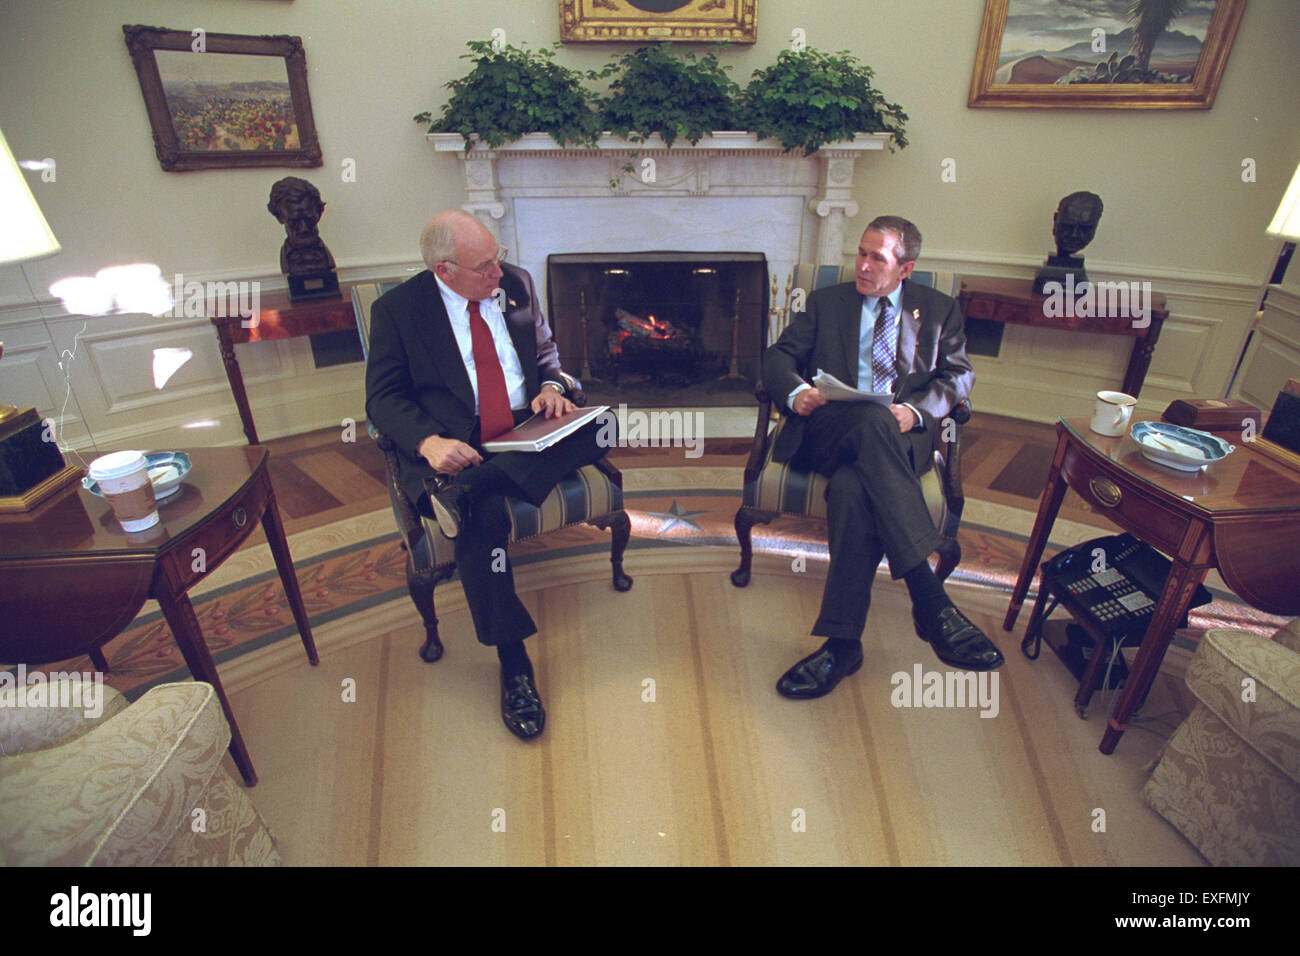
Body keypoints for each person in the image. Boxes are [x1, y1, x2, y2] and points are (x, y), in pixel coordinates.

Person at [365, 210, 608, 739]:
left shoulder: (516, 283)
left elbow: (546, 354)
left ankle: (468, 490)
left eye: (497, 258)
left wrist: (554, 388)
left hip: (525, 425)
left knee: (606, 426)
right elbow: (382, 399)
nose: (499, 273)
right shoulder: (399, 312)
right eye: (484, 267)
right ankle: (514, 662)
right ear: (444, 269)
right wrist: (429, 443)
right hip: (460, 438)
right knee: (478, 528)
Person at [763, 215, 1004, 700]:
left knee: (854, 487)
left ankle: (842, 645)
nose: (864, 265)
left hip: (895, 441)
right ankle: (928, 597)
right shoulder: (827, 302)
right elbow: (777, 358)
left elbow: (958, 377)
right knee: (870, 421)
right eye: (861, 253)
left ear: (905, 267)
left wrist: (916, 413)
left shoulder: (938, 310)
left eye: (878, 258)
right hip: (828, 429)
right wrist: (796, 393)